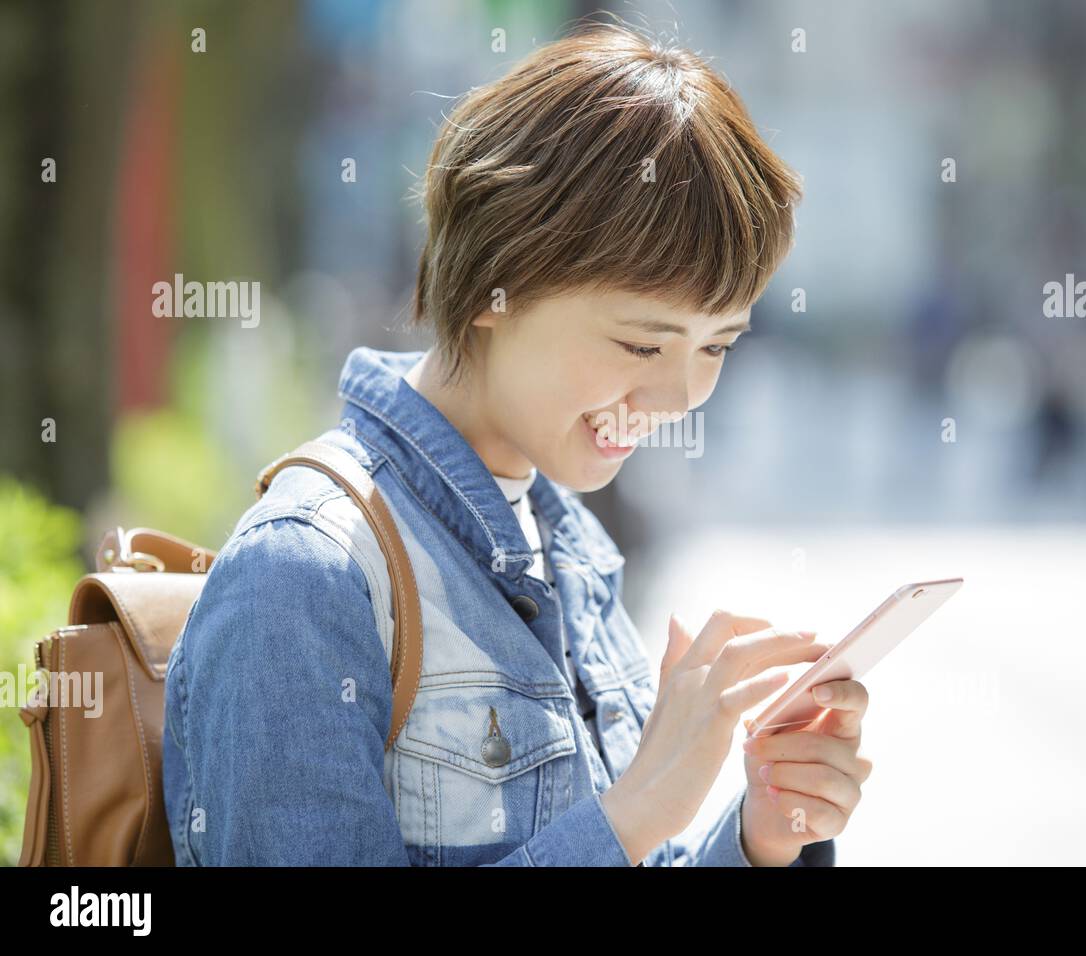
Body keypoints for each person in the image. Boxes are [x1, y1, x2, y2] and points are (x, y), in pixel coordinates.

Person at [162, 20, 871, 867]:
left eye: (716, 345)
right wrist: (631, 815)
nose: (681, 394)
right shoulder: (306, 576)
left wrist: (764, 835)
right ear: (497, 286)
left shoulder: (568, 542)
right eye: (643, 345)